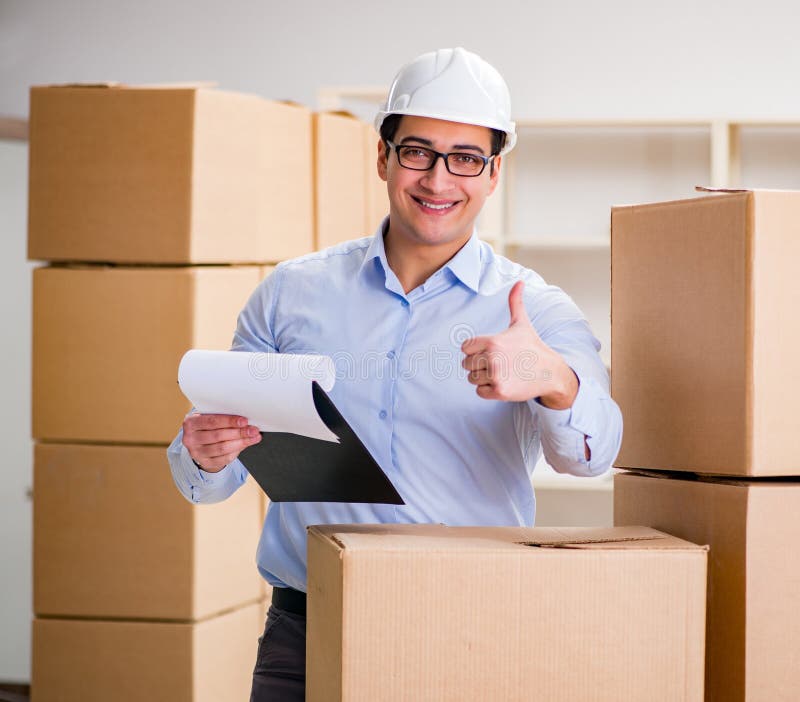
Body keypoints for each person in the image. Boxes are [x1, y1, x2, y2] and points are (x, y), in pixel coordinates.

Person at [168, 46, 622, 702]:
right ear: (383, 156)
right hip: (307, 626)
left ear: (493, 173)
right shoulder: (291, 293)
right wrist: (205, 456)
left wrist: (557, 381)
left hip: (471, 625)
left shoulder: (537, 308)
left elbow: (593, 454)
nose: (439, 181)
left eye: (465, 158)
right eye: (418, 152)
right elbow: (209, 484)